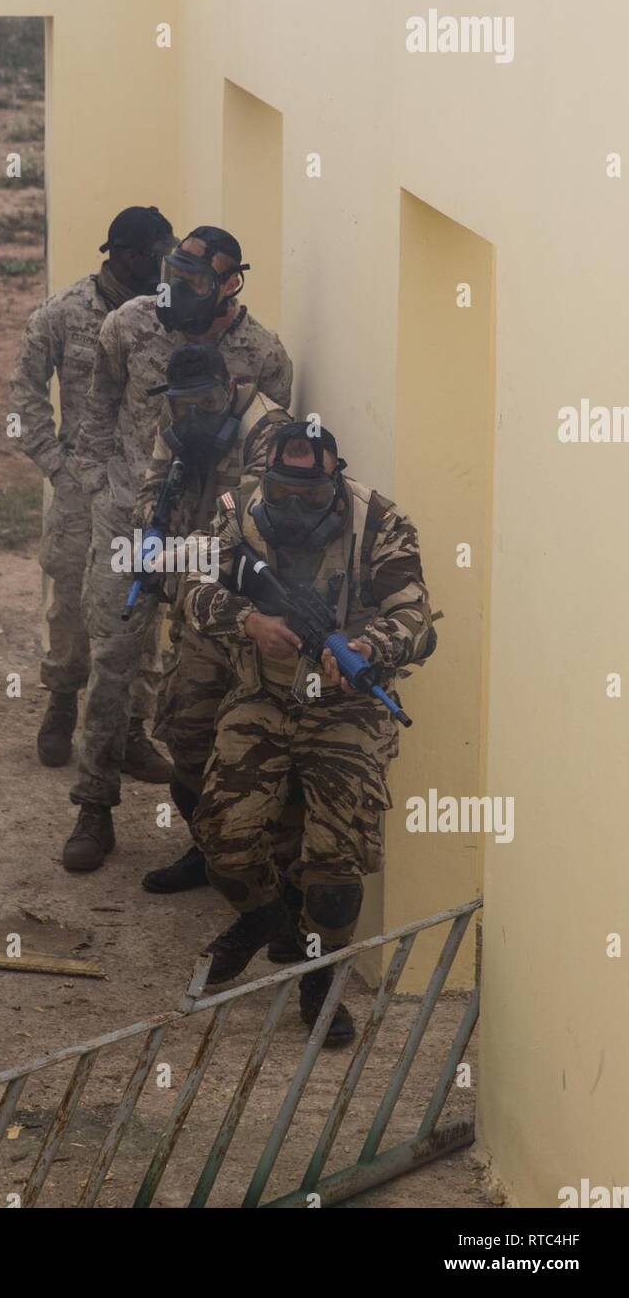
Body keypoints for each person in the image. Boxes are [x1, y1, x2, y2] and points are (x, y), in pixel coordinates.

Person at [182, 422, 435, 1043]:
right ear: (265, 477)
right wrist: (249, 621)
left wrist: (366, 645)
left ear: (334, 479)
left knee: (336, 862)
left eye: (312, 495)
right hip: (263, 694)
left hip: (346, 709)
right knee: (221, 835)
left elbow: (417, 617)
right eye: (282, 491)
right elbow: (187, 585)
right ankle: (266, 922)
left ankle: (321, 977)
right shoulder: (233, 513)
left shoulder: (378, 521)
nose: (295, 506)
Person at [64, 226, 293, 872]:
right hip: (135, 521)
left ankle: (208, 834)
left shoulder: (265, 355)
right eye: (172, 272)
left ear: (230, 284)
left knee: (211, 673)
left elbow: (268, 467)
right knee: (113, 656)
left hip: (221, 544)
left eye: (194, 281)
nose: (175, 290)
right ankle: (94, 803)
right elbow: (98, 408)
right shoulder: (129, 325)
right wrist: (98, 488)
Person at [9, 205, 174, 770]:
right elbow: (25, 389)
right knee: (74, 602)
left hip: (145, 490)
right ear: (129, 256)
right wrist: (56, 463)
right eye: (160, 253)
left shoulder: (166, 317)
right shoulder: (63, 312)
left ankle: (131, 727)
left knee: (142, 600)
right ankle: (61, 702)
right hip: (83, 488)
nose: (168, 264)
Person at [131, 342, 291, 893]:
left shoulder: (267, 430)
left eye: (204, 401)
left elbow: (247, 525)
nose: (192, 414)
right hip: (199, 603)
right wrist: (150, 535)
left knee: (255, 744)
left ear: (227, 389)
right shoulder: (177, 423)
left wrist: (179, 553)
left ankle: (257, 864)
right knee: (187, 730)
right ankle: (209, 848)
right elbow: (153, 487)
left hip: (253, 604)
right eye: (182, 404)